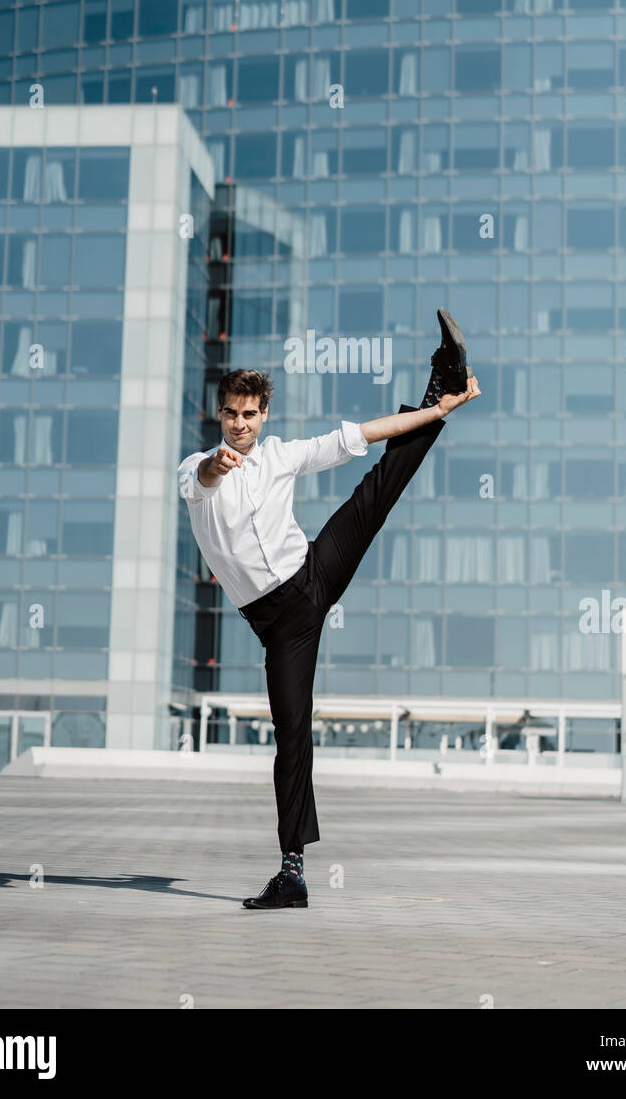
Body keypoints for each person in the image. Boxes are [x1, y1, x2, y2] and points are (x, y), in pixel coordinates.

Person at [177, 309, 480, 909]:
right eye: (231, 414)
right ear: (220, 414)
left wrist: (438, 410)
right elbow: (203, 481)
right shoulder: (195, 468)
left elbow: (360, 434)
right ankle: (292, 873)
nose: (240, 424)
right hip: (279, 624)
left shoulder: (281, 455)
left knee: (378, 486)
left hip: (313, 572)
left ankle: (441, 379)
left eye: (251, 414)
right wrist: (217, 464)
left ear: (264, 416)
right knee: (293, 735)